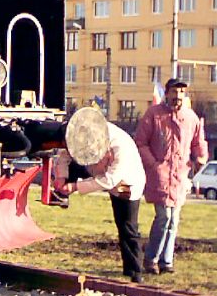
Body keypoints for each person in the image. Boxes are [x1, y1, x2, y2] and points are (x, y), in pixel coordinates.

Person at [54, 107, 148, 283]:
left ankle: (135, 271)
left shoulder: (122, 147)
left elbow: (110, 181)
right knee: (75, 168)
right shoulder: (85, 133)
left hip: (125, 185)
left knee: (127, 226)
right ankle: (60, 197)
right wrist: (61, 176)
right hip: (97, 169)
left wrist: (75, 186)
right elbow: (66, 154)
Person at [133, 77, 208, 275]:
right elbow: (140, 142)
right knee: (164, 217)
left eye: (182, 92)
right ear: (167, 93)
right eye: (174, 92)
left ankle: (166, 261)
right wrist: (154, 165)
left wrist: (200, 158)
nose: (178, 96)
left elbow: (198, 142)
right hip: (160, 175)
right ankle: (151, 259)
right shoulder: (154, 114)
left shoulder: (190, 117)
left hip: (179, 175)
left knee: (174, 219)